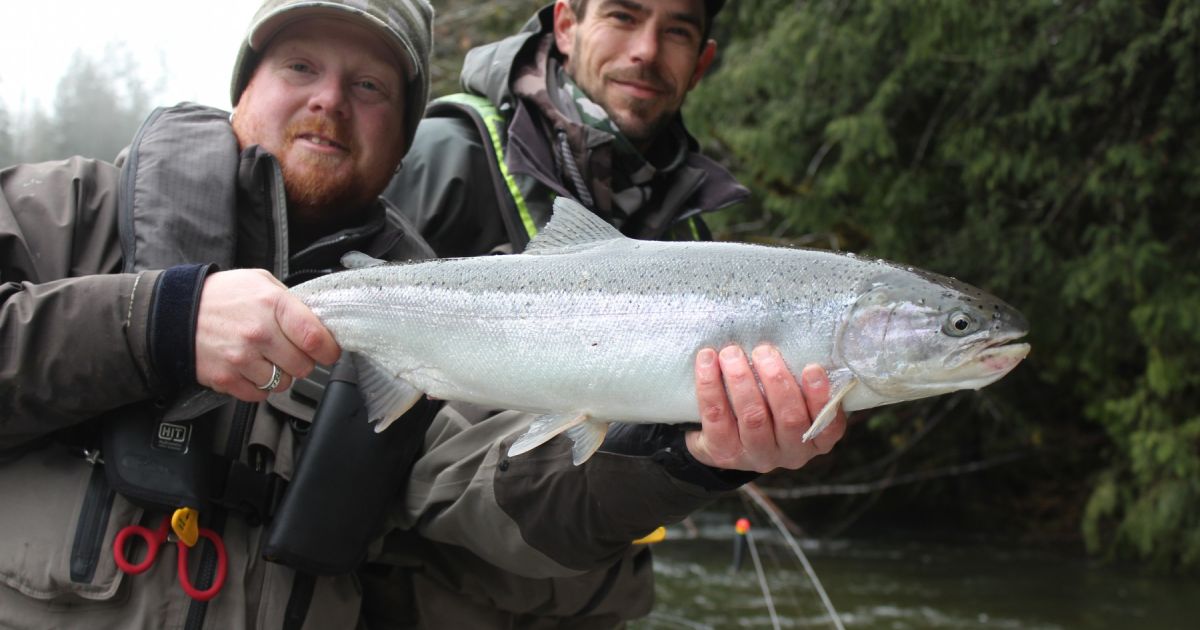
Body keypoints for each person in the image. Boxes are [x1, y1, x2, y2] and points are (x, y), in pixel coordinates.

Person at [370, 0, 849, 627]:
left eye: (676, 30)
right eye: (623, 15)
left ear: (701, 61)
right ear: (566, 25)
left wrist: (696, 459)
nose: (647, 50)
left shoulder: (688, 228)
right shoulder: (441, 156)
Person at [0, 0, 436, 627]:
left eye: (369, 86)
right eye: (300, 66)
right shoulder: (63, 211)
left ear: (402, 143)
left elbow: (476, 511)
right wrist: (156, 323)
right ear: (243, 92)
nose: (330, 100)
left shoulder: (441, 322)